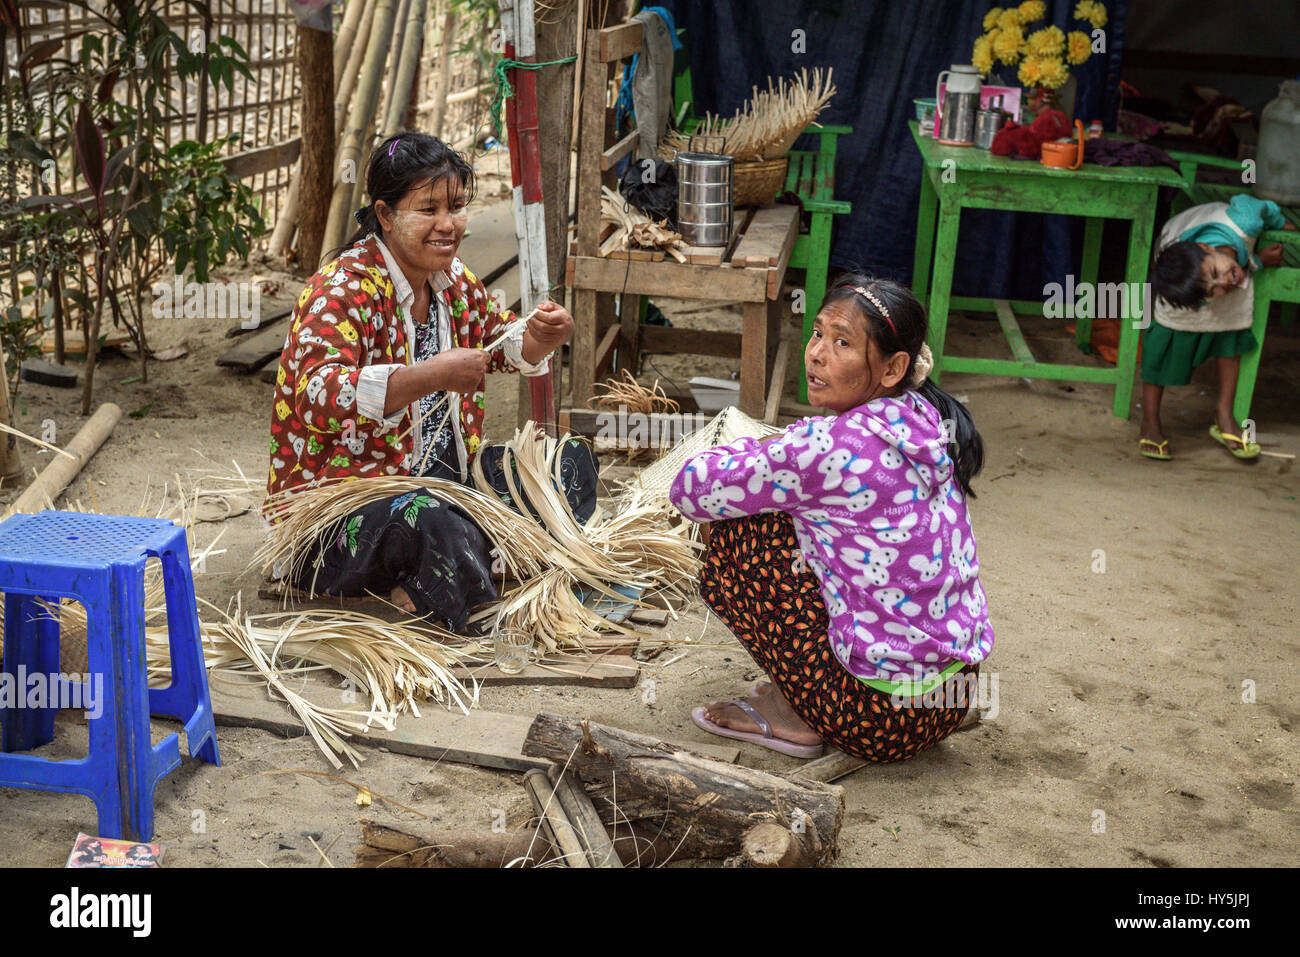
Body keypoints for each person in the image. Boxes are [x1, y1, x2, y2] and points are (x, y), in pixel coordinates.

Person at [265, 132, 583, 630]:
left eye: (456, 207)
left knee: (562, 468)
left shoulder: (453, 280)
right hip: (347, 514)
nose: (447, 224)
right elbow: (316, 395)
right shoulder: (341, 289)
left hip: (449, 488)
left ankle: (448, 568)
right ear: (385, 215)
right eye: (427, 209)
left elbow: (498, 345)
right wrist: (428, 376)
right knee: (427, 520)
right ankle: (460, 569)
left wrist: (540, 336)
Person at [669, 277, 994, 761]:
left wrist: (755, 446)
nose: (817, 352)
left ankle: (793, 713)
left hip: (876, 719)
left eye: (842, 342)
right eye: (817, 332)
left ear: (893, 367)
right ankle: (810, 689)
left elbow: (691, 490)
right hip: (949, 700)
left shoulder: (828, 447)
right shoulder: (924, 418)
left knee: (741, 528)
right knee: (791, 514)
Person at [1140, 194, 1297, 461]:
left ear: (1206, 248)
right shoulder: (1189, 279)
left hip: (1208, 220)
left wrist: (1279, 221)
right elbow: (1216, 277)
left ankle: (1224, 414)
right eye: (1212, 291)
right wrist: (1255, 261)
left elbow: (1257, 203)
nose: (1225, 283)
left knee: (1230, 333)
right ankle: (1150, 422)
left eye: (1215, 274)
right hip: (1170, 244)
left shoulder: (1244, 221)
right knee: (1163, 343)